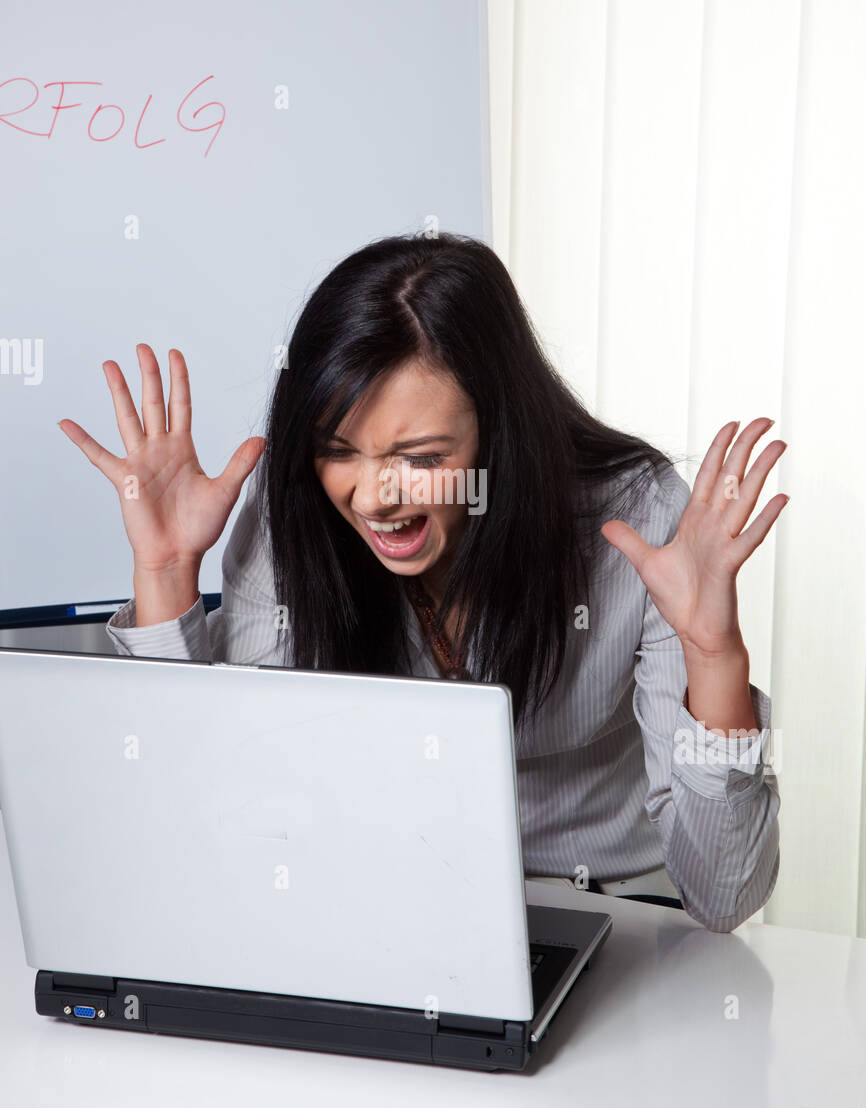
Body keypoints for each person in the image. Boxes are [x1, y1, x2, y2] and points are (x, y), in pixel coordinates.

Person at [59, 232, 785, 932]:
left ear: (501, 433)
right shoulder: (298, 520)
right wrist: (165, 573)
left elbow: (724, 895)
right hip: (377, 905)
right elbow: (206, 823)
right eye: (338, 450)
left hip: (613, 912)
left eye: (422, 456)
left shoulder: (639, 519)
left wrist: (714, 655)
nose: (374, 497)